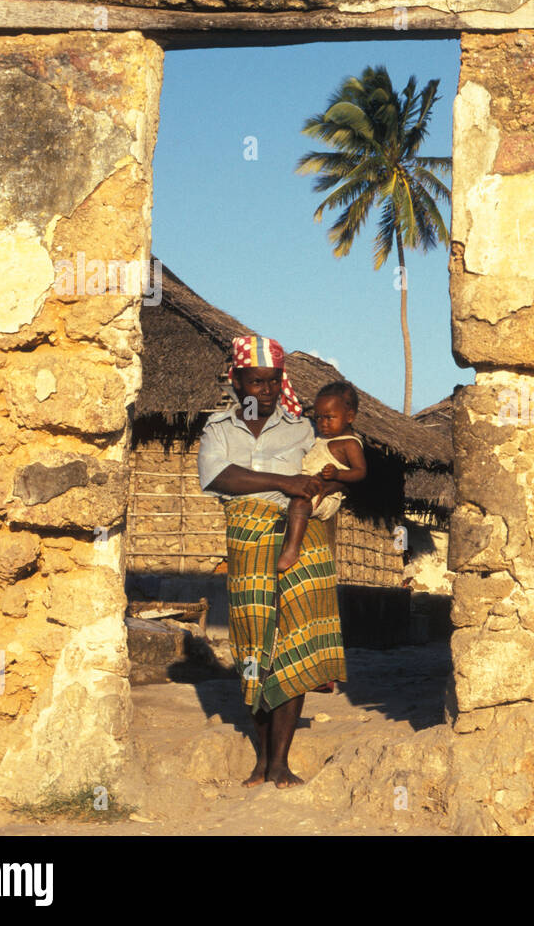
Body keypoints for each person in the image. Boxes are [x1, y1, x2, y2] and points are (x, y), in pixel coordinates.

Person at [196, 335, 347, 789]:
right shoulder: (218, 429)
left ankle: (279, 761)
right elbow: (218, 476)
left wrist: (317, 487)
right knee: (253, 644)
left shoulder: (303, 429)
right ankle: (261, 758)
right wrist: (284, 481)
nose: (264, 389)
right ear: (236, 380)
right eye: (256, 381)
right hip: (247, 540)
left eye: (272, 381)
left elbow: (329, 470)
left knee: (296, 642)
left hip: (304, 541)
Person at [277, 381, 367, 573]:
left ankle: (292, 550)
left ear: (349, 417)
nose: (322, 424)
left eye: (329, 418)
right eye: (318, 418)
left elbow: (360, 472)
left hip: (326, 497)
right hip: (308, 487)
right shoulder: (321, 439)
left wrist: (337, 474)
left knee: (299, 504)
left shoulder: (350, 444)